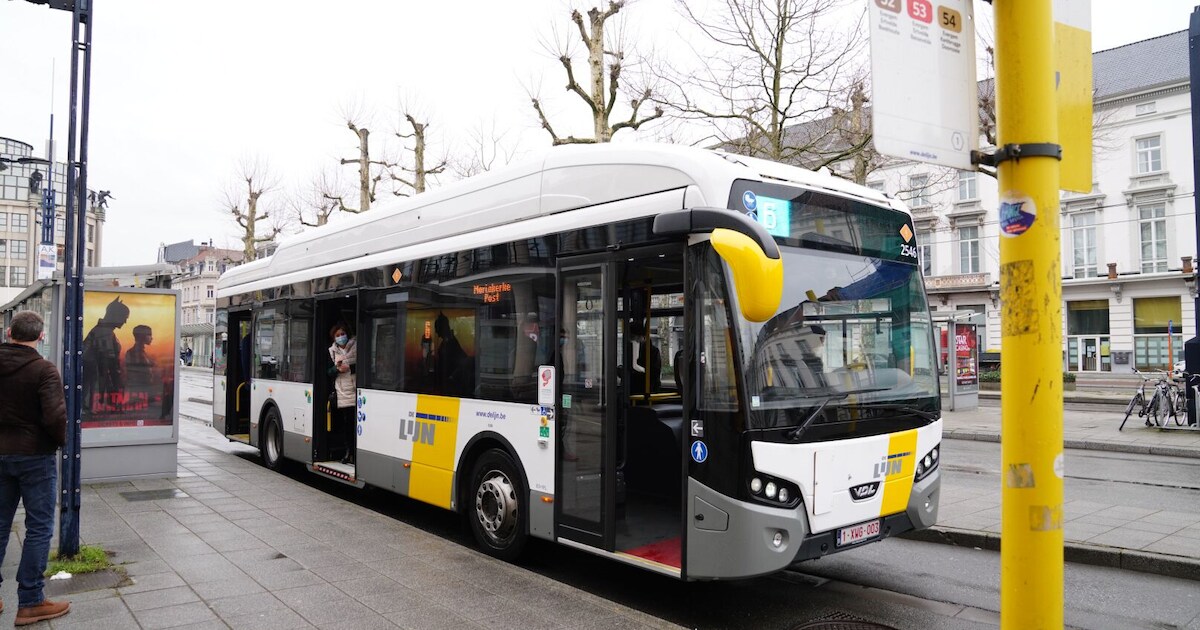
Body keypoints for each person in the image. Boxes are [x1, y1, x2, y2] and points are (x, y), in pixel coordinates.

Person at [0, 311, 71, 626]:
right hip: (34, 457)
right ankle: (30, 601)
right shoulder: (44, 370)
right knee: (39, 527)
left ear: (8, 332)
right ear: (40, 336)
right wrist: (59, 442)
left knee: (0, 524)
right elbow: (56, 417)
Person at [82, 296, 129, 415]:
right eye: (124, 317)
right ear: (116, 316)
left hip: (93, 382)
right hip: (96, 382)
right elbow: (107, 365)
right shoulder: (104, 333)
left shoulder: (102, 331)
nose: (125, 321)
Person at [327, 323, 357, 465]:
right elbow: (328, 372)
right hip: (342, 392)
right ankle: (348, 451)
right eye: (337, 335)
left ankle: (354, 452)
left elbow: (366, 364)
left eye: (342, 334)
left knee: (355, 422)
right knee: (347, 424)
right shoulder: (332, 351)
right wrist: (337, 369)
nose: (340, 337)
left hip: (356, 389)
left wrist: (349, 367)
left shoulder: (356, 346)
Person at [433, 313, 469, 396]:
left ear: (443, 328)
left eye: (437, 328)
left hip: (450, 386)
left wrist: (452, 377)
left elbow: (463, 360)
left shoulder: (451, 342)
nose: (436, 331)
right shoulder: (447, 341)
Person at [125, 325, 157, 411]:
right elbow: (138, 370)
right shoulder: (136, 352)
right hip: (138, 392)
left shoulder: (140, 352)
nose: (152, 338)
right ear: (143, 336)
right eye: (149, 335)